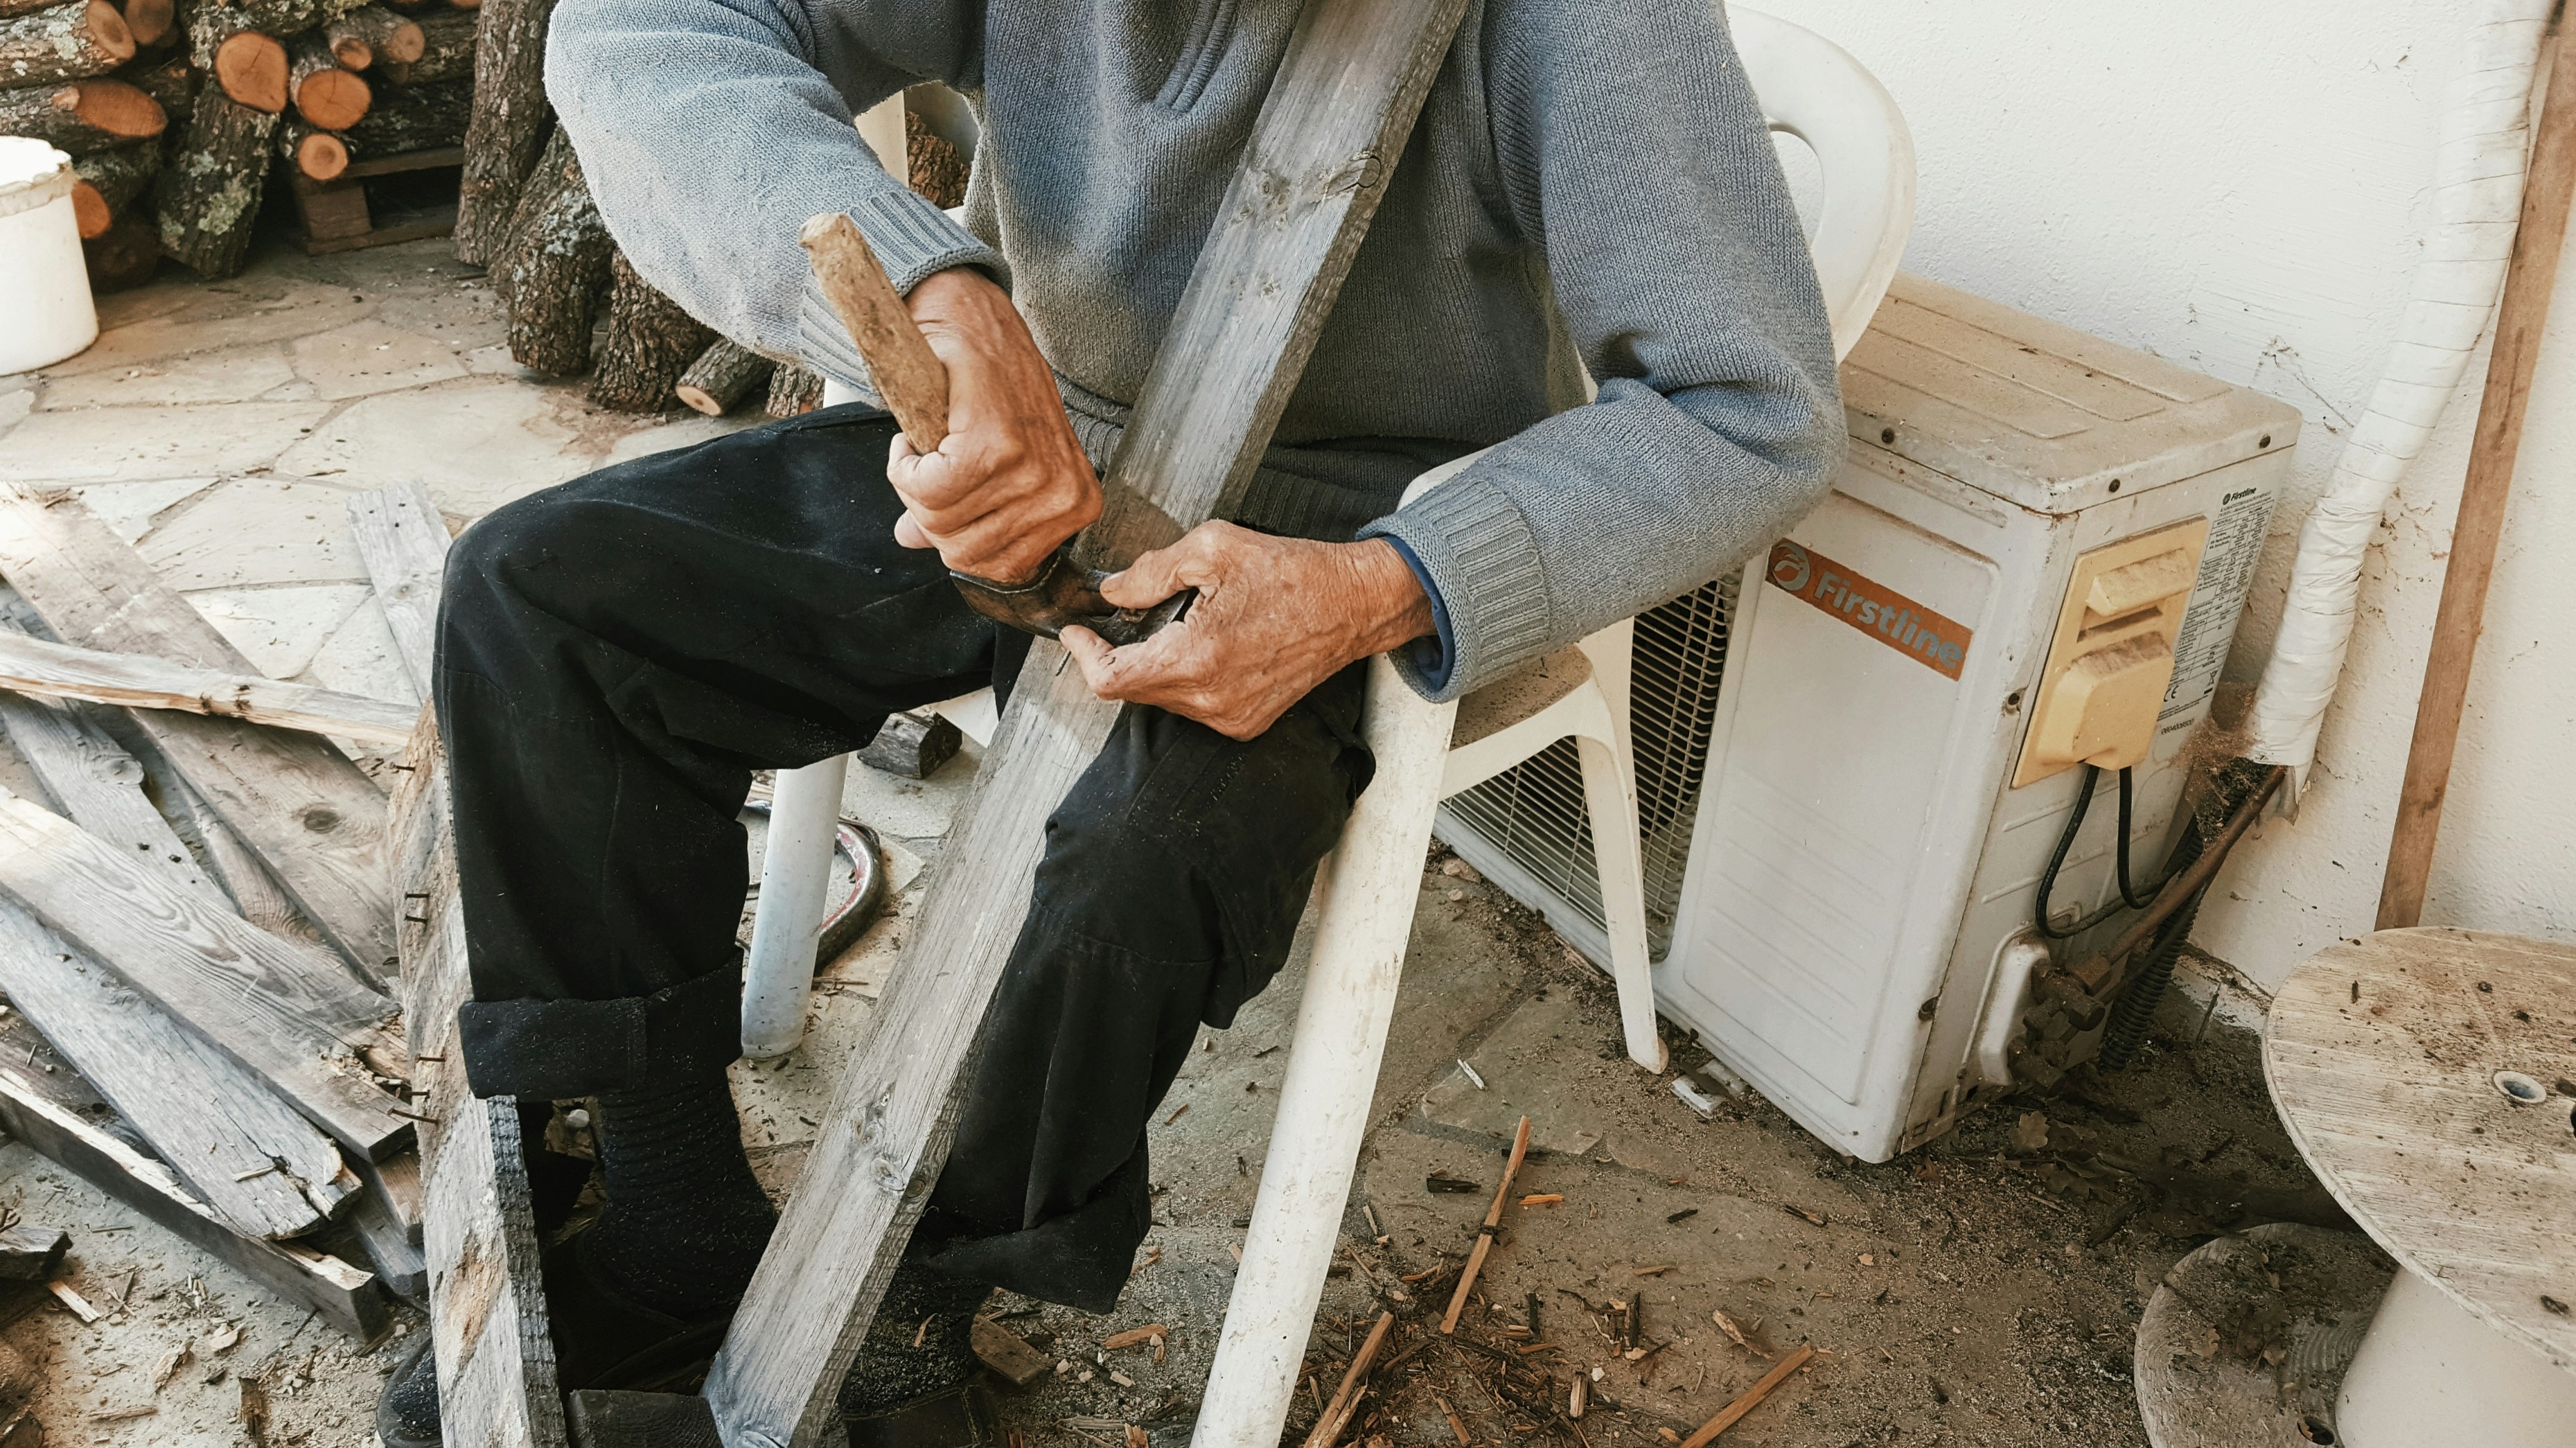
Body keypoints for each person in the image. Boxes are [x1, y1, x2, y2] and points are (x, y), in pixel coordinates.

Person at [377, 1, 1843, 1444]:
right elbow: (640, 26)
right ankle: (671, 1209)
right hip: (1047, 438)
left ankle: (917, 1306)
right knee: (543, 595)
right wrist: (928, 287)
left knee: (1136, 860)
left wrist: (1383, 584)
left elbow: (1744, 407)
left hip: (1339, 524)